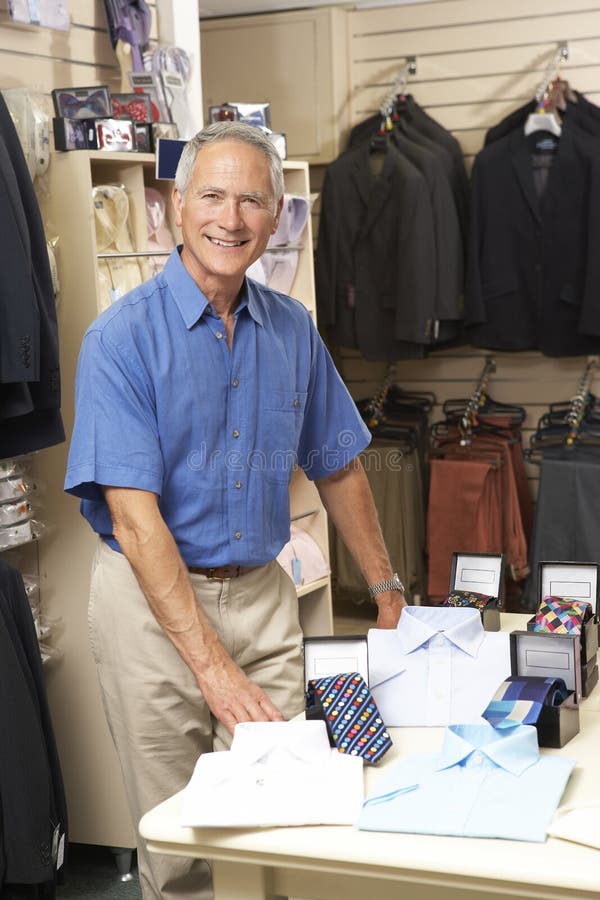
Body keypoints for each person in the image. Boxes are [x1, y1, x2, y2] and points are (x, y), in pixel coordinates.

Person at [64, 121, 406, 900]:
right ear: (178, 204)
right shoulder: (119, 341)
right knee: (181, 841)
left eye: (253, 199)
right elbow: (135, 523)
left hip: (262, 598)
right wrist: (214, 672)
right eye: (212, 195)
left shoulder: (291, 330)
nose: (231, 216)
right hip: (150, 613)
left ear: (277, 216)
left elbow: (340, 466)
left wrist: (386, 590)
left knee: (277, 829)